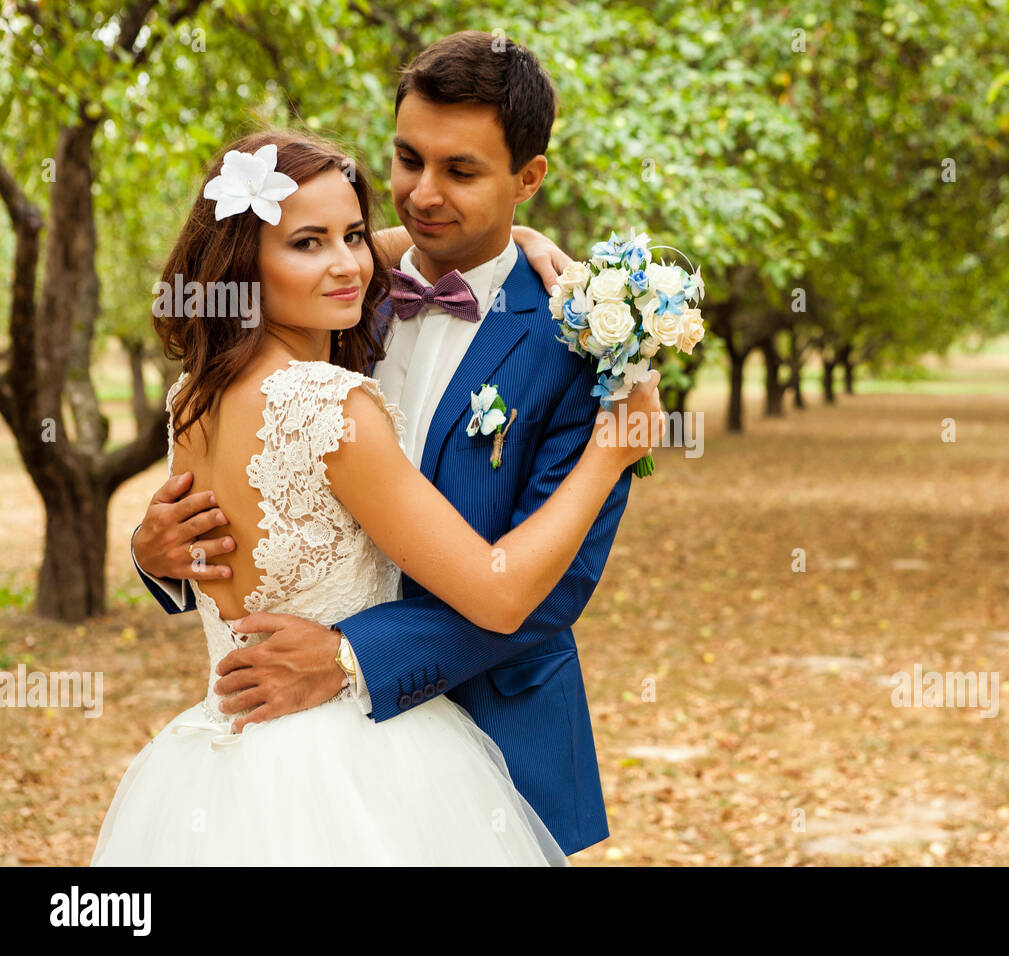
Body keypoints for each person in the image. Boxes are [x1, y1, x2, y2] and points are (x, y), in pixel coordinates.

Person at [95, 121, 662, 865]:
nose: (347, 267)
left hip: (221, 757)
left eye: (354, 236)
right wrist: (612, 452)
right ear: (244, 262)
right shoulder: (333, 406)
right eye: (308, 243)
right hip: (358, 759)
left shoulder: (192, 398)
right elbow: (499, 594)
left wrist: (517, 237)